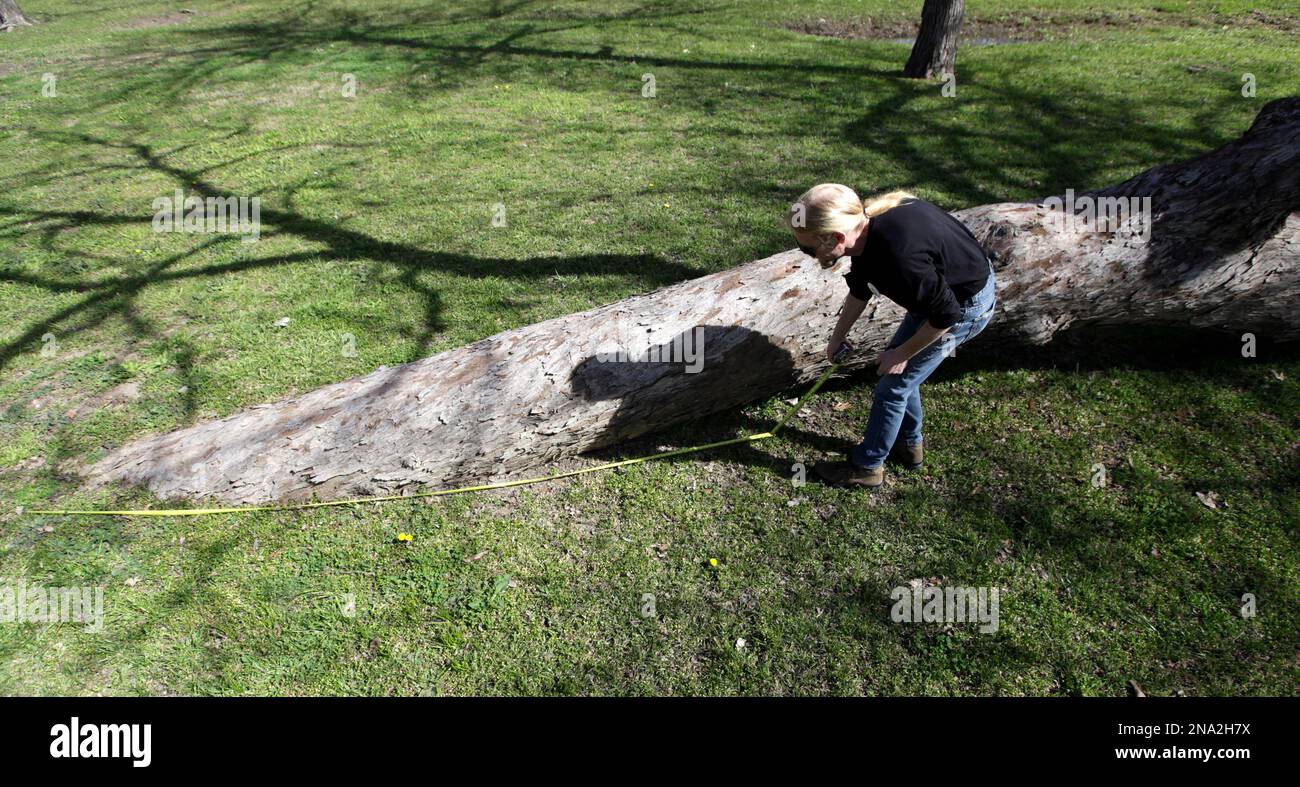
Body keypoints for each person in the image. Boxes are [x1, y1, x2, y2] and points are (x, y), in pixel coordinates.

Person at [783, 184, 997, 488]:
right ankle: (910, 446)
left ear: (838, 238)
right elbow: (860, 287)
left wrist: (901, 354)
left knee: (892, 387)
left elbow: (946, 315)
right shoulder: (868, 233)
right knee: (900, 379)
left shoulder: (899, 258)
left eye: (808, 249)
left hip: (962, 308)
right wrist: (837, 336)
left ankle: (868, 467)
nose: (807, 255)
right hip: (939, 298)